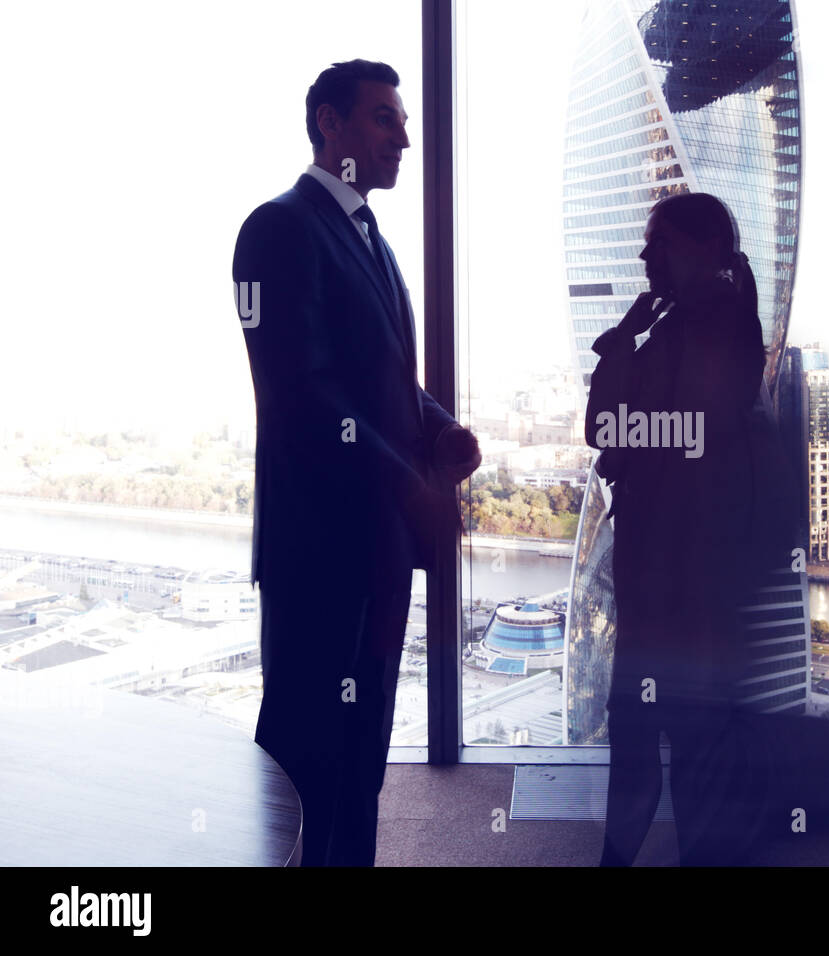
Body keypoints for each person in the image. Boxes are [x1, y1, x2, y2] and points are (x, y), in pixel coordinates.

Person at [232, 59, 480, 866]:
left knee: (362, 760)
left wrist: (438, 431)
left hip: (376, 552)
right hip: (320, 552)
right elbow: (301, 395)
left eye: (402, 121)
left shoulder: (367, 235)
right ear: (328, 124)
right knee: (306, 765)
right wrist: (411, 485)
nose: (403, 135)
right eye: (384, 118)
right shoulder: (277, 228)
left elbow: (382, 382)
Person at [586, 192, 786, 866]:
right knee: (678, 744)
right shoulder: (704, 323)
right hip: (683, 577)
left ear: (699, 250)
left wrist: (624, 341)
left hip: (677, 580)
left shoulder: (705, 328)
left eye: (658, 242)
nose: (645, 255)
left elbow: (614, 427)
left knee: (659, 741)